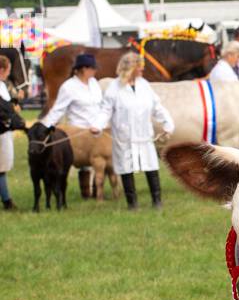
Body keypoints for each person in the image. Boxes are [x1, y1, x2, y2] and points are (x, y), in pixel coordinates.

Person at [95, 52, 174, 210]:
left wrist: (168, 123)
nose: (142, 71)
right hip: (124, 137)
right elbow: (105, 110)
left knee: (151, 165)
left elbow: (156, 107)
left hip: (144, 136)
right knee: (126, 168)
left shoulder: (144, 84)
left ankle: (157, 201)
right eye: (139, 67)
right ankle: (132, 204)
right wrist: (97, 125)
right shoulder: (114, 88)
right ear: (130, 68)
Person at [40, 52, 106, 199]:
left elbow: (102, 106)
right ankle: (85, 192)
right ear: (84, 69)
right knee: (84, 164)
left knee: (100, 160)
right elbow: (58, 109)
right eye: (93, 68)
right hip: (79, 131)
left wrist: (102, 123)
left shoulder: (94, 84)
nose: (95, 71)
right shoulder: (69, 87)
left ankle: (98, 191)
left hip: (97, 129)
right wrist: (43, 129)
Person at [0, 54, 23, 210]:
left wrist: (14, 103)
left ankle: (7, 200)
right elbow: (3, 109)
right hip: (1, 130)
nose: (9, 73)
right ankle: (7, 201)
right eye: (8, 70)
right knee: (1, 168)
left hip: (4, 130)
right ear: (2, 69)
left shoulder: (3, 85)